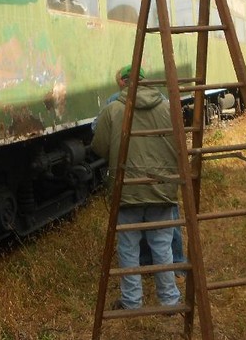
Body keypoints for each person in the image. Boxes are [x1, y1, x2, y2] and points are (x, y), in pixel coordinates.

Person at [92, 64, 182, 310]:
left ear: (123, 83)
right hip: (162, 188)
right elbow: (181, 146)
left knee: (128, 248)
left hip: (127, 189)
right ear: (145, 81)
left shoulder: (112, 110)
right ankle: (170, 301)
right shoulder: (168, 107)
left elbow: (99, 147)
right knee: (162, 246)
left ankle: (132, 302)